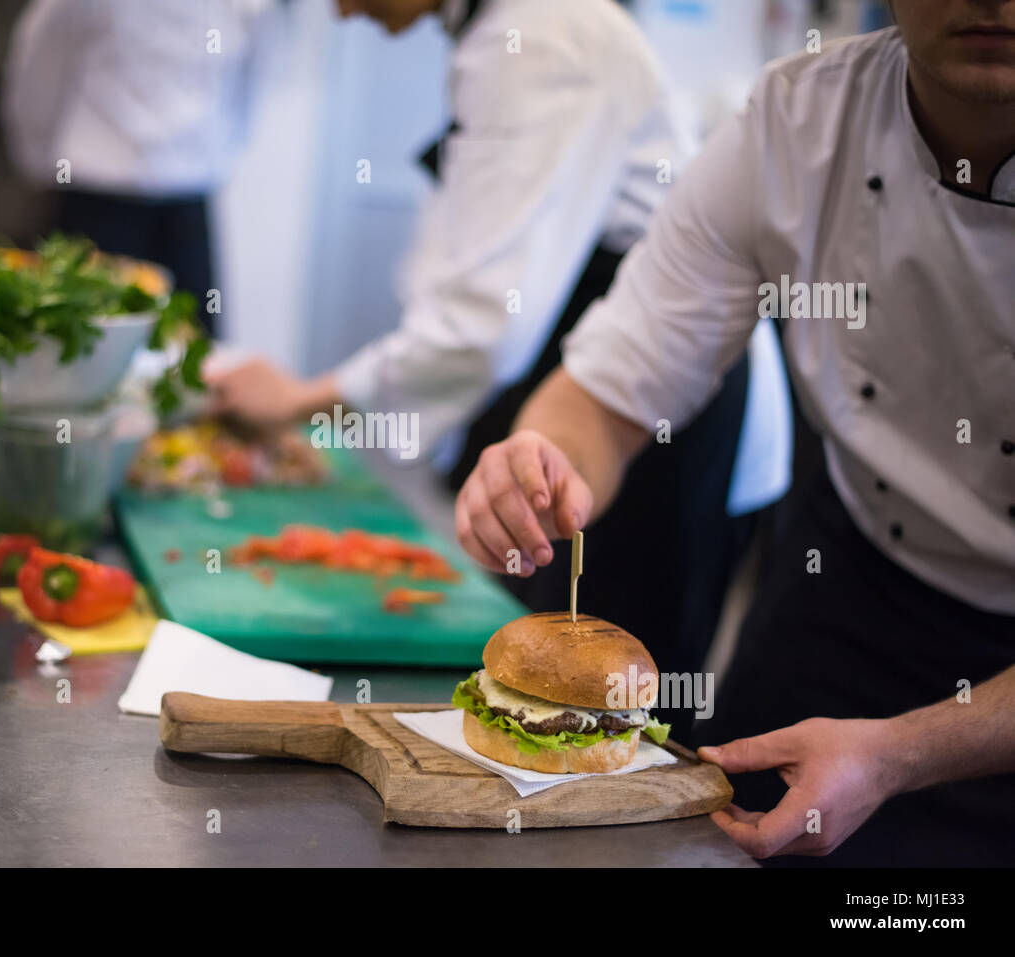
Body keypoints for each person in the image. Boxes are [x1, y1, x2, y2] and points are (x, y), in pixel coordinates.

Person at [453, 0, 1015, 865]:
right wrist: (539, 462)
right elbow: (611, 386)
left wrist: (900, 752)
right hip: (848, 579)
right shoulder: (797, 121)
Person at [211, 0, 792, 681]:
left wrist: (301, 398)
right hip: (580, 405)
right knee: (536, 681)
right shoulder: (502, 34)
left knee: (616, 712)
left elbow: (483, 327)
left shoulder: (544, 38)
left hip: (659, 419)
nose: (339, 10)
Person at [0, 0, 277, 331]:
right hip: (96, 203)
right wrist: (38, 160)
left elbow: (251, 83)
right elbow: (39, 67)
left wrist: (213, 159)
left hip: (185, 209)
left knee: (194, 354)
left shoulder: (248, 6)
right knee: (74, 351)